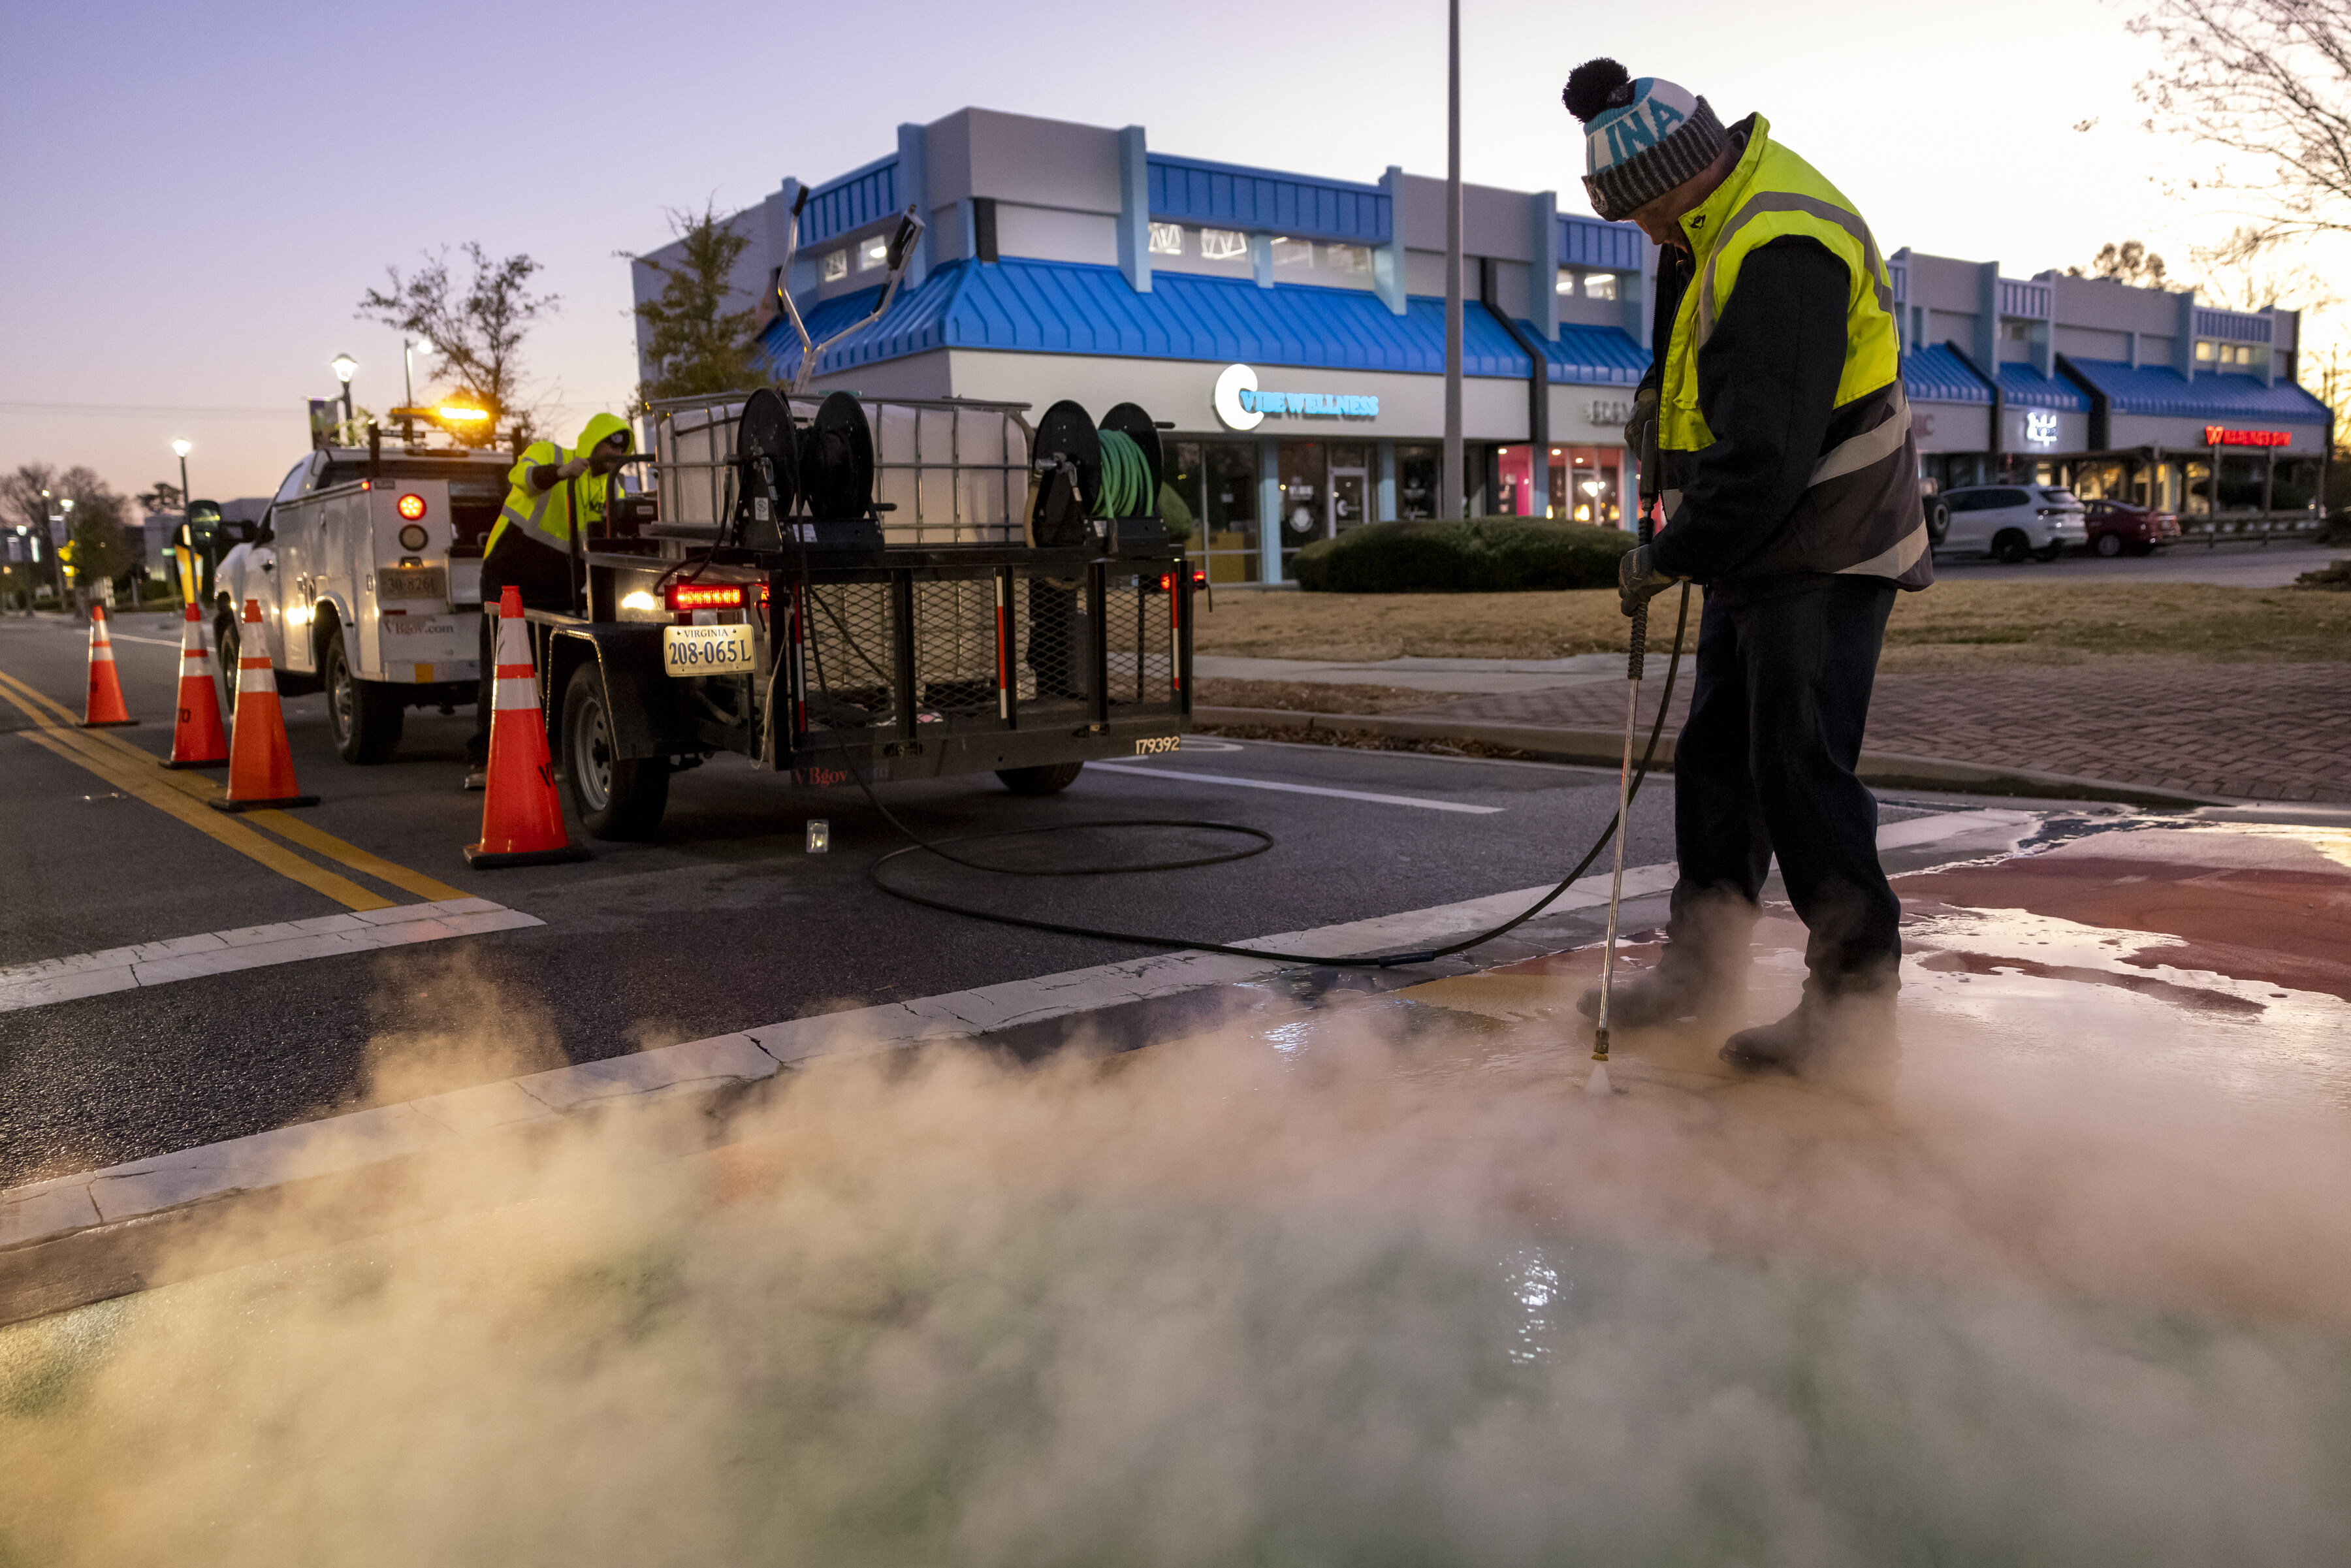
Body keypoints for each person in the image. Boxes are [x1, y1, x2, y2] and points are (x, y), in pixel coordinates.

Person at [1561, 59, 1933, 1072]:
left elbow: (1768, 450)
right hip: (1760, 543)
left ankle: (1851, 1014)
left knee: (1798, 765)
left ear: (1679, 173)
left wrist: (1671, 553)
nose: (1640, 233)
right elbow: (1711, 378)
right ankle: (1702, 969)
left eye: (1638, 211)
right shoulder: (1709, 225)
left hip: (1826, 534)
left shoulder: (1780, 241)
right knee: (1720, 757)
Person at [468, 413, 633, 785]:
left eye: (622, 450)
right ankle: (482, 757)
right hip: (507, 575)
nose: (614, 453)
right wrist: (560, 472)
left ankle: (549, 753)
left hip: (560, 586)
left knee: (553, 671)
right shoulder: (549, 453)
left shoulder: (612, 488)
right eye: (610, 444)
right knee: (502, 665)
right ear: (594, 441)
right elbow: (522, 478)